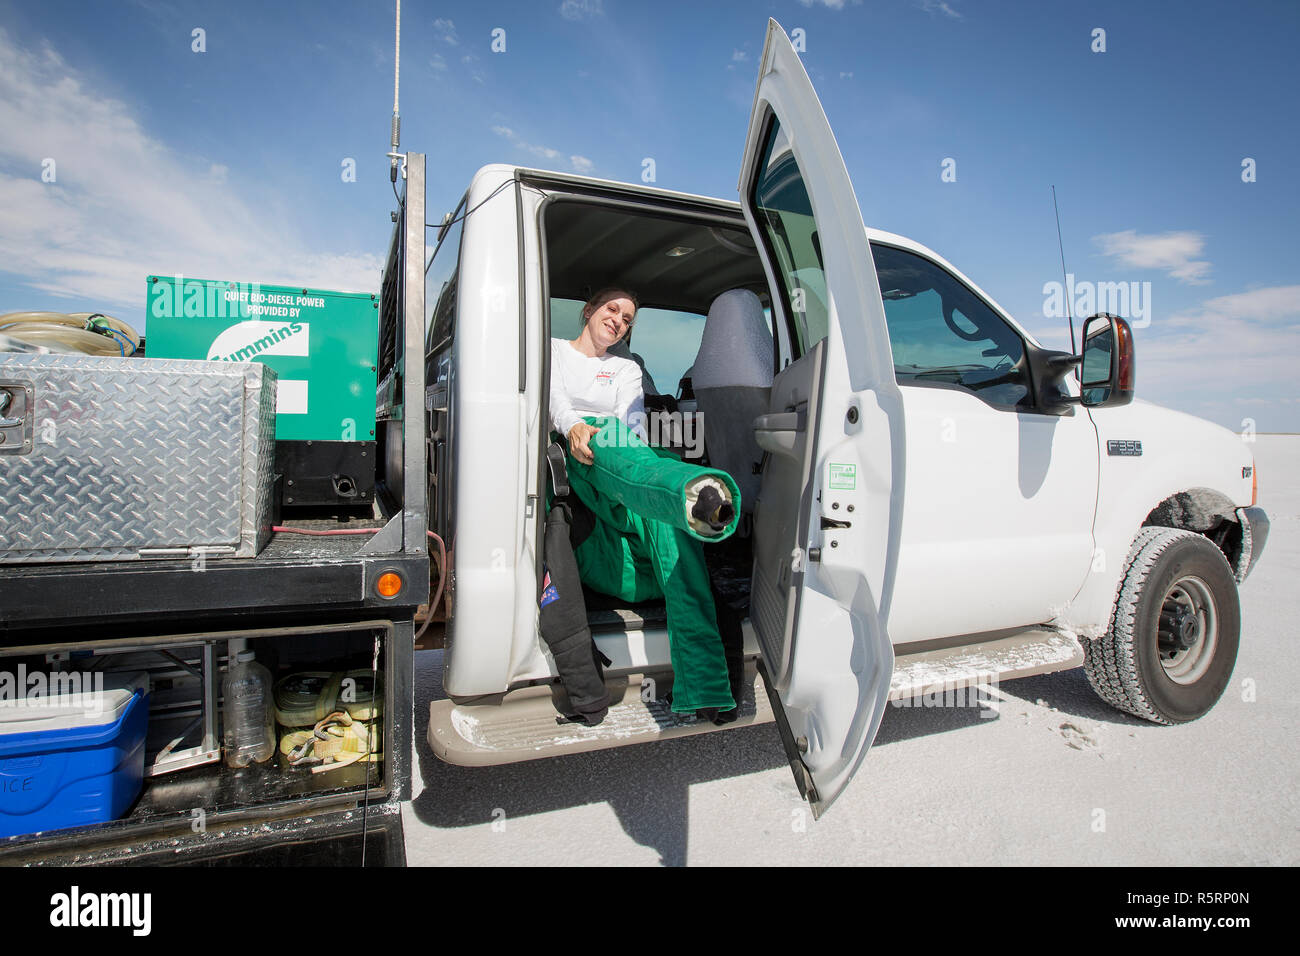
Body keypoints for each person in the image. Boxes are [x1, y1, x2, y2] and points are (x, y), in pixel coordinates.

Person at [548, 287, 741, 719]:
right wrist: (574, 425)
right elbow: (553, 397)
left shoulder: (626, 367)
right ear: (589, 310)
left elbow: (631, 420)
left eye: (627, 318)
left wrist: (609, 435)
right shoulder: (553, 350)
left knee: (671, 528)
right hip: (573, 454)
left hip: (622, 462)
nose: (618, 320)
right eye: (612, 310)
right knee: (610, 436)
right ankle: (693, 491)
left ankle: (705, 687)